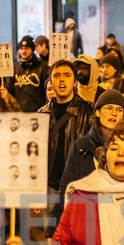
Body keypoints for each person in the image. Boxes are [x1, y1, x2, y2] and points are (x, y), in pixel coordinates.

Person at [39, 59, 93, 200]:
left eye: (67, 75)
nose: (62, 79)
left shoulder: (88, 112)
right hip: (48, 189)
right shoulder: (41, 114)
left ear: (75, 82)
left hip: (78, 188)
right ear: (51, 83)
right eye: (57, 75)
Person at [60, 89, 124, 195]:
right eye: (109, 108)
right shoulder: (81, 145)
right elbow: (66, 186)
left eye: (119, 110)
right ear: (98, 112)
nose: (114, 113)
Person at [9, 35, 49, 113]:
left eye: (27, 48)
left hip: (39, 112)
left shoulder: (42, 67)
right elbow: (10, 91)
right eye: (21, 48)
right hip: (19, 113)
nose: (23, 51)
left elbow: (47, 90)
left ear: (32, 50)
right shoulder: (15, 69)